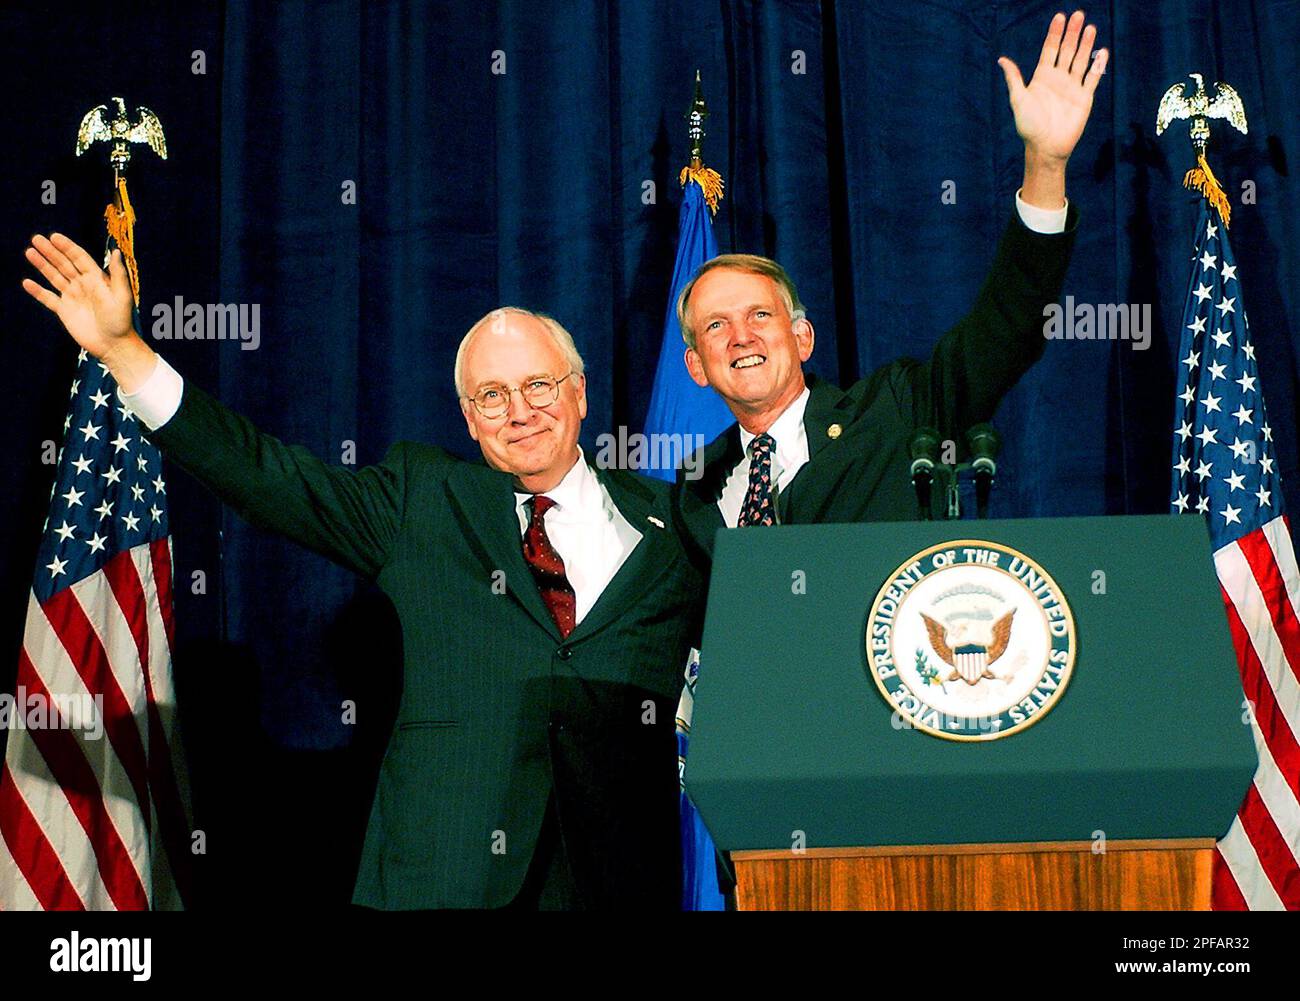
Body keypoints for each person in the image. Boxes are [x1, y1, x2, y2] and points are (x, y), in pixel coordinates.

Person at [21, 241, 703, 910]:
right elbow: (267, 475)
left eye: (537, 386)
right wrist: (125, 353)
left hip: (619, 881)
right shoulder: (421, 500)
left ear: (578, 392)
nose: (519, 411)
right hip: (443, 880)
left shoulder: (675, 524)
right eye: (492, 395)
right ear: (469, 418)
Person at [669, 10, 1107, 900]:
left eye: (760, 316)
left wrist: (1046, 167)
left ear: (803, 334)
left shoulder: (899, 410)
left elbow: (1006, 326)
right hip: (762, 827)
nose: (740, 336)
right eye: (715, 326)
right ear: (697, 366)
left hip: (901, 798)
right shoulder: (687, 492)